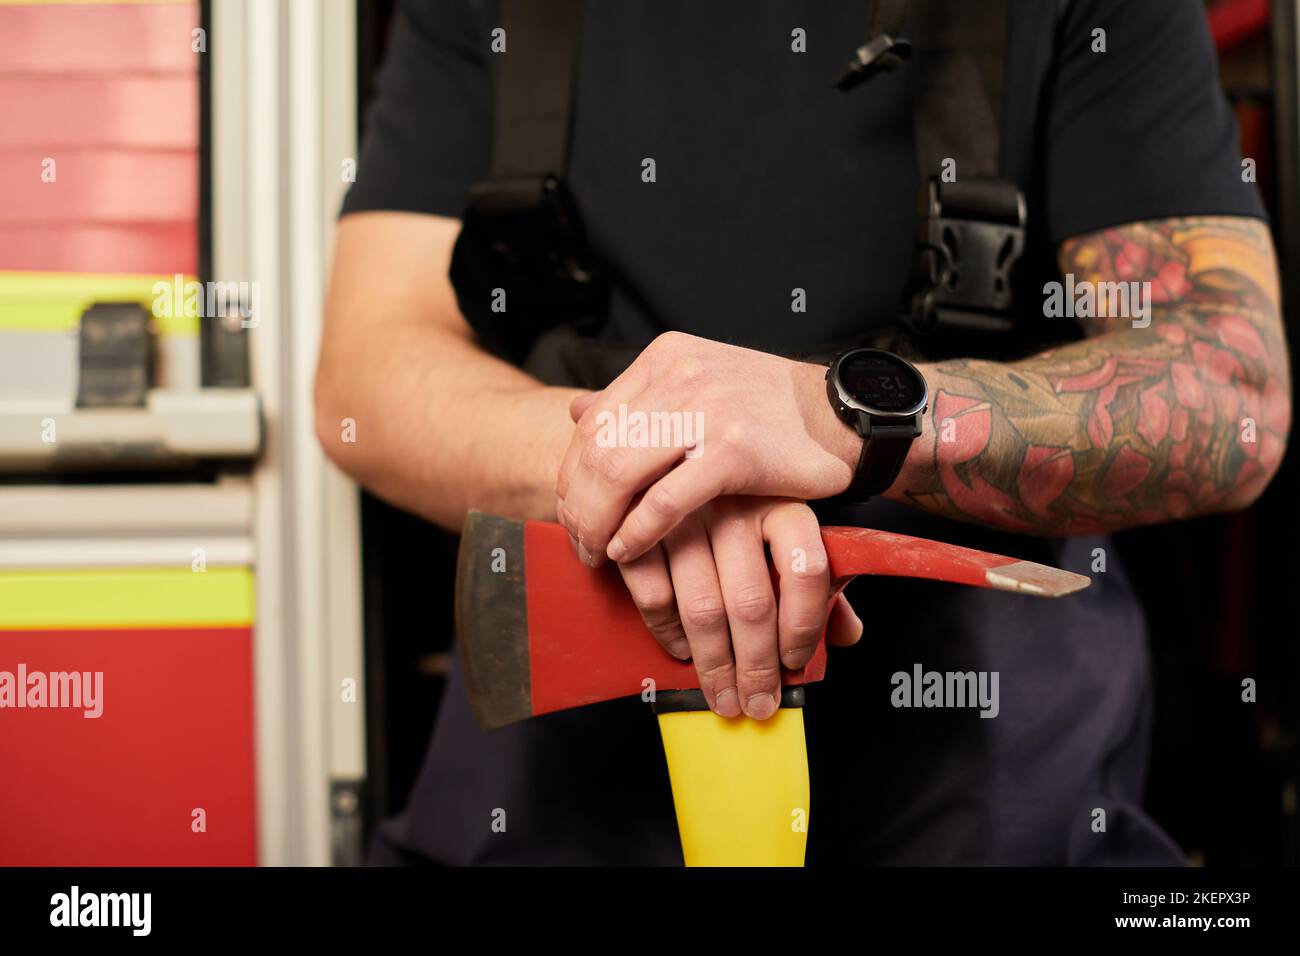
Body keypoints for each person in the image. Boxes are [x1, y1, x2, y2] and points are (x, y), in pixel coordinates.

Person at [315, 0, 1290, 864]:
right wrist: (641, 462)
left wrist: (845, 417)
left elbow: (1230, 387)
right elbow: (365, 372)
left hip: (998, 792)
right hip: (548, 794)